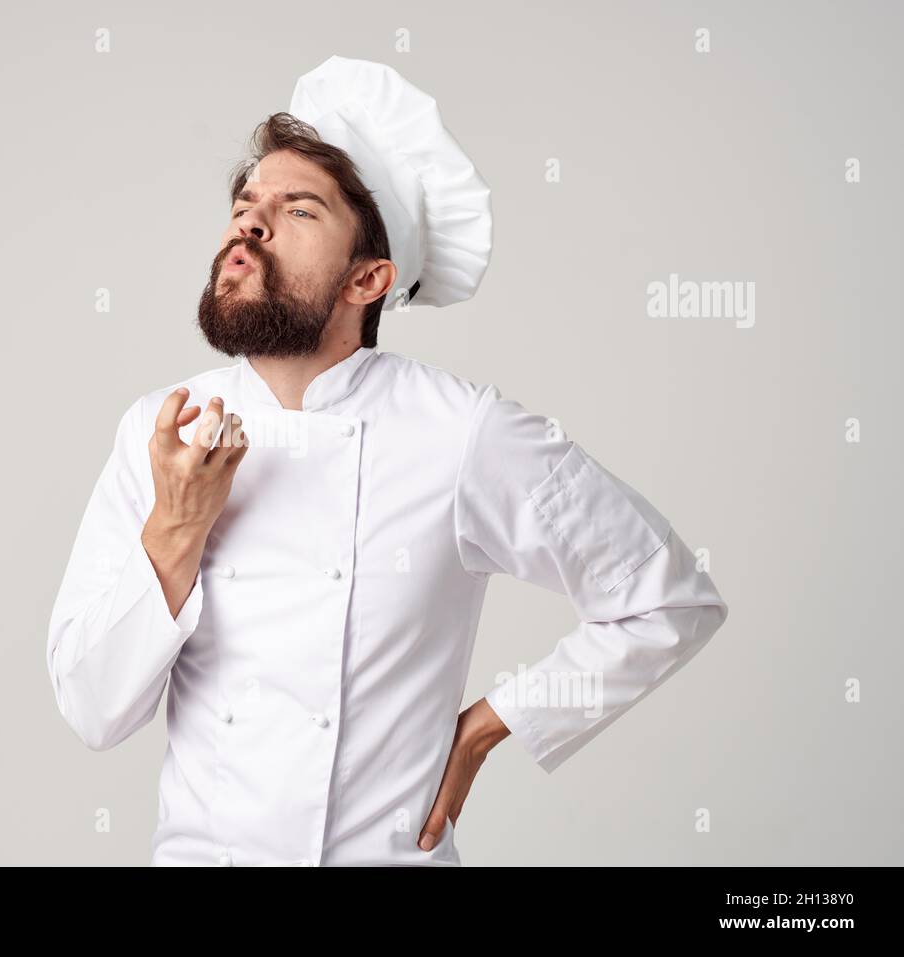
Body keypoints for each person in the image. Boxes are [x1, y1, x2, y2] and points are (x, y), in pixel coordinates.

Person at [46, 55, 728, 866]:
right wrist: (174, 529)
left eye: (297, 211)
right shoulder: (159, 431)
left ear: (367, 279)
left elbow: (669, 599)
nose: (250, 225)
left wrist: (493, 722)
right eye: (245, 205)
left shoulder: (460, 431)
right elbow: (94, 711)